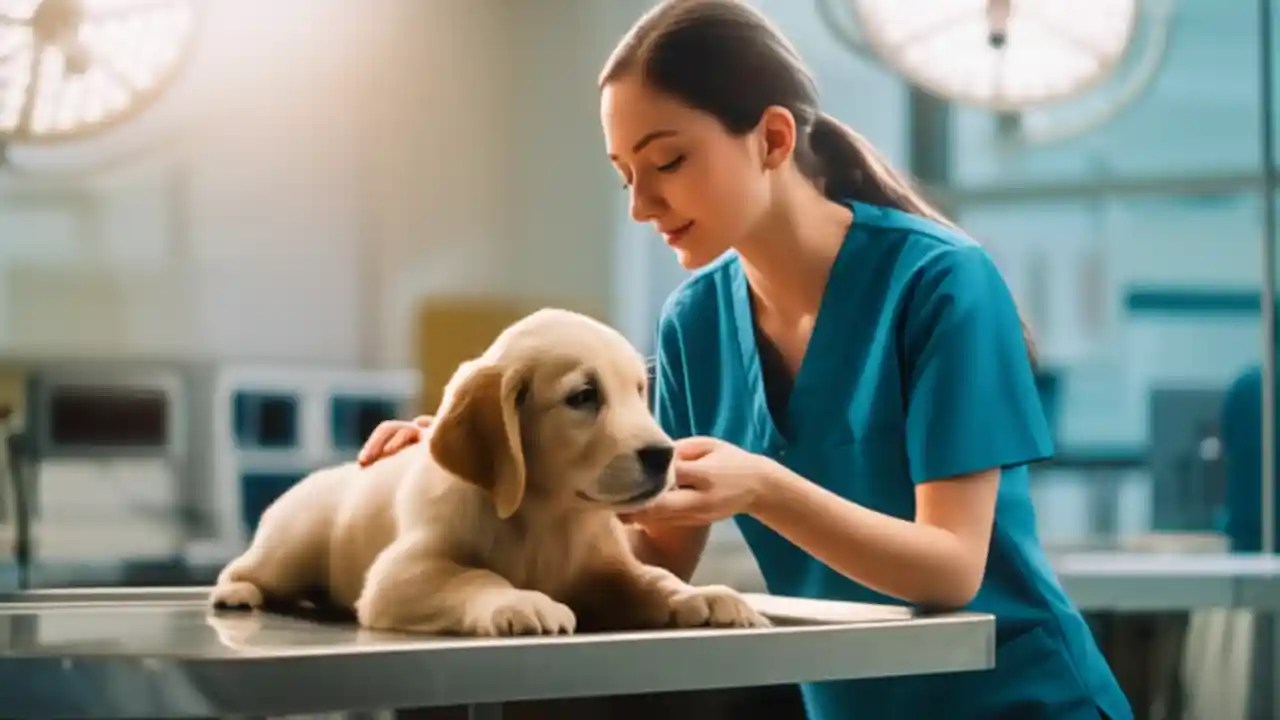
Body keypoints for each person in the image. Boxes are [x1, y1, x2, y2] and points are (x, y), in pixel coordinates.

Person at [358, 1, 1132, 718]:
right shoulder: (694, 323)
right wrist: (486, 459)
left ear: (771, 139)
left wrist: (763, 488)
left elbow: (951, 569)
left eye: (666, 163)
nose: (641, 205)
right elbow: (652, 553)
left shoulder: (943, 285)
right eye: (625, 174)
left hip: (1023, 699)